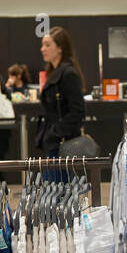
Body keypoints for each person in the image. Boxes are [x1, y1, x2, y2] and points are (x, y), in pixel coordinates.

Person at [34, 26, 85, 169]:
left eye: (47, 45)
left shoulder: (68, 74)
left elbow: (77, 111)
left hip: (63, 144)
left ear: (60, 48)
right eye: (43, 45)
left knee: (59, 186)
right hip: (54, 143)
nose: (43, 49)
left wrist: (54, 133)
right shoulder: (55, 72)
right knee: (55, 186)